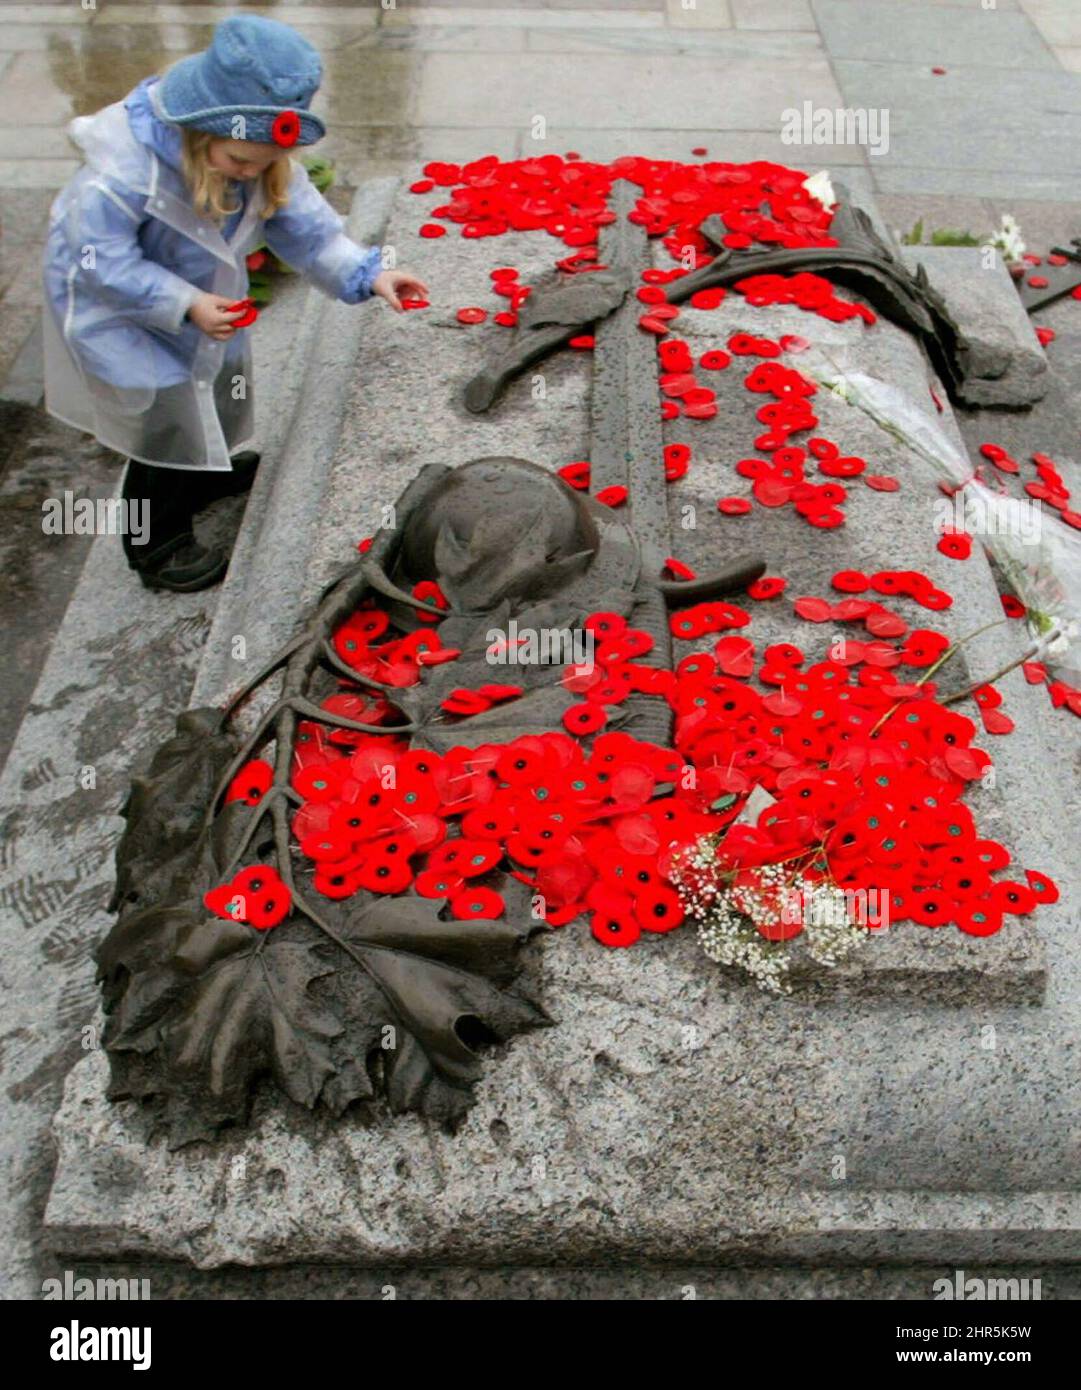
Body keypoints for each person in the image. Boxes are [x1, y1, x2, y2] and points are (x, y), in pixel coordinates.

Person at [42, 14, 428, 592]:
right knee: (162, 420)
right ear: (200, 135)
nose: (254, 175)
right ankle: (156, 544)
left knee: (217, 385)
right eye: (243, 164)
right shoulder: (119, 178)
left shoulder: (254, 159)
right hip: (118, 311)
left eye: (266, 164)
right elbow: (103, 264)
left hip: (201, 299)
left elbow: (308, 231)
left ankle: (204, 472)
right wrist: (183, 300)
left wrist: (367, 274)